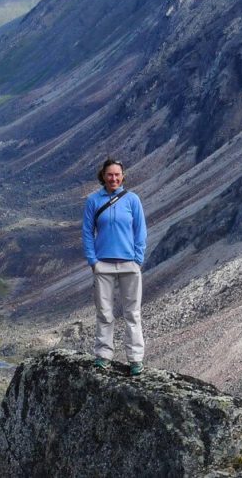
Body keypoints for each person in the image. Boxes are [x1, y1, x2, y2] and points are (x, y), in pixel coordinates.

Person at [82, 157, 147, 375]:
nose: (113, 178)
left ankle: (135, 359)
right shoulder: (93, 201)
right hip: (103, 265)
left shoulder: (132, 200)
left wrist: (137, 259)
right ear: (103, 176)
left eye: (117, 174)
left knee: (132, 313)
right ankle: (103, 355)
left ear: (123, 176)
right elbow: (87, 232)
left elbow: (140, 231)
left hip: (129, 264)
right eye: (110, 174)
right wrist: (93, 261)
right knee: (104, 313)